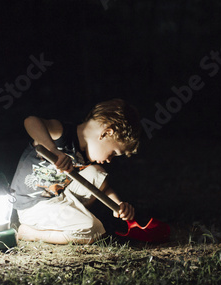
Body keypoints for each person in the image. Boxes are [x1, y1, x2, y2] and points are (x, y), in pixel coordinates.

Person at [10, 99, 141, 245]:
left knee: (96, 173)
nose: (110, 159)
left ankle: (73, 220)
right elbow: (31, 121)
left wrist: (118, 205)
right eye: (114, 153)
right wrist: (53, 150)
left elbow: (103, 188)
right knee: (93, 229)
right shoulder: (62, 133)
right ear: (106, 133)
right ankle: (30, 233)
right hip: (33, 205)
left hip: (58, 195)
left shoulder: (85, 154)